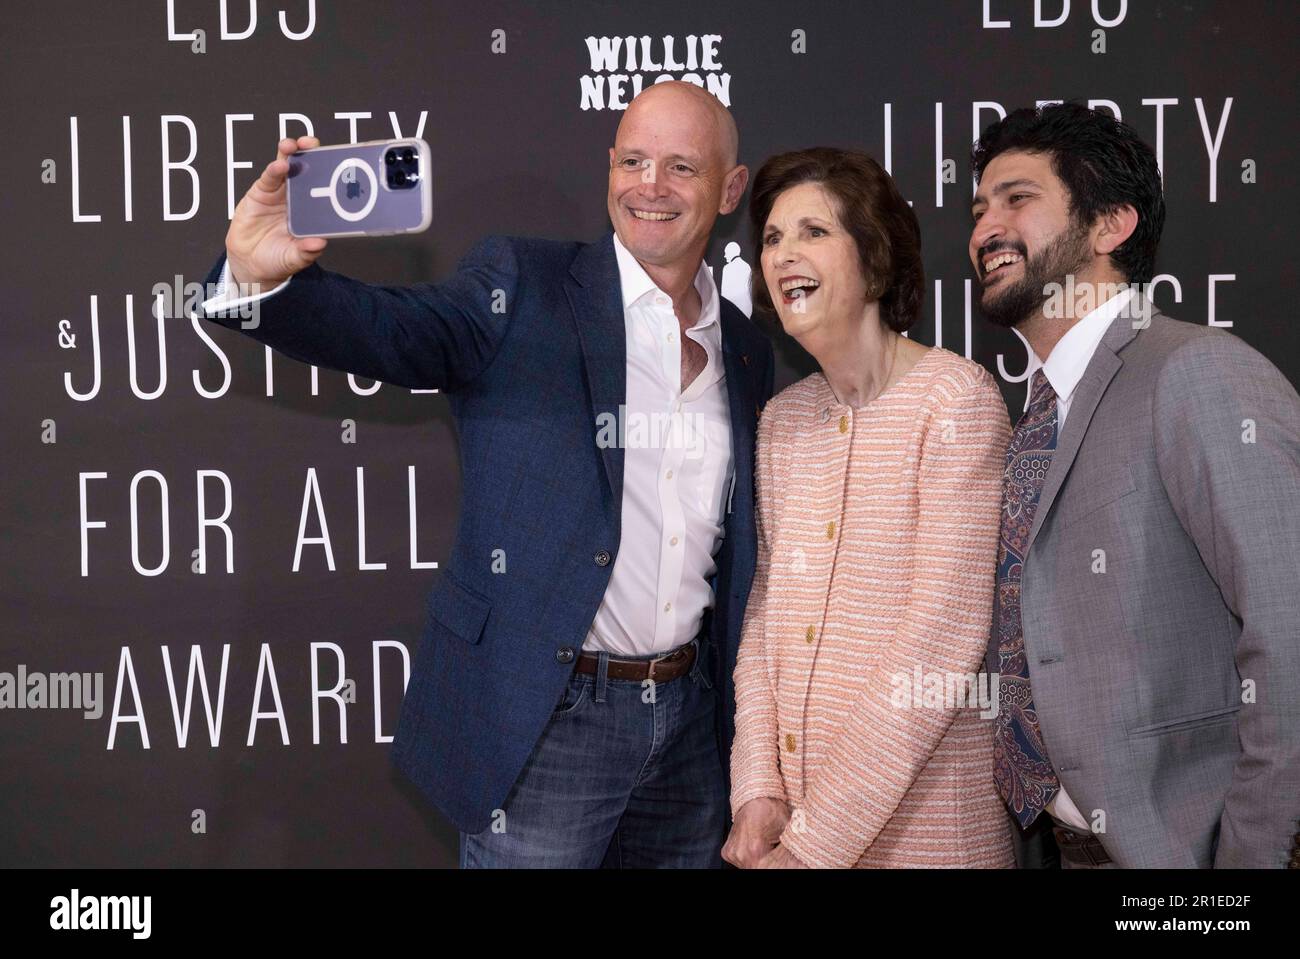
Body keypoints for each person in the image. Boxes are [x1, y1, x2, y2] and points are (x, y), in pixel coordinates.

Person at [193, 81, 775, 867]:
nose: (651, 186)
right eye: (633, 160)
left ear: (731, 188)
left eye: (681, 167)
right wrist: (265, 280)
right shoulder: (524, 285)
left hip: (690, 731)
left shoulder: (745, 343)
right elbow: (393, 333)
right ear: (608, 167)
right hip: (545, 721)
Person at [971, 102, 1300, 868]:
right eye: (980, 207)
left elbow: (1288, 633)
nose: (986, 227)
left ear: (1110, 223)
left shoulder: (1196, 372)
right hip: (1064, 845)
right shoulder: (1038, 414)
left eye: (1017, 198)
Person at [723, 147, 1014, 868]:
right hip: (792, 829)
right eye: (772, 237)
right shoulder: (783, 421)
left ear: (876, 256)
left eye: (813, 232)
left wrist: (814, 846)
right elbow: (764, 615)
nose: (785, 253)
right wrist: (756, 786)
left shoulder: (956, 402)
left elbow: (940, 645)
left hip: (929, 836)